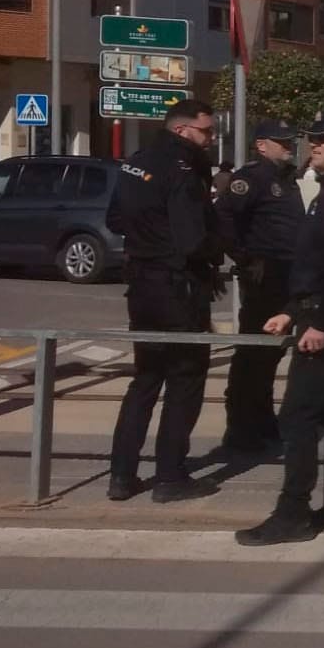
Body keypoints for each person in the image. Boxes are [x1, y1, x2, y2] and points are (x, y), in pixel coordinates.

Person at [236, 112, 324, 546]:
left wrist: (317, 320)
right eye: (311, 139)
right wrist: (290, 309)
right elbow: (313, 265)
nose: (313, 146)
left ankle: (293, 512)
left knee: (298, 417)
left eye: (323, 139)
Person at [106, 99, 223, 503]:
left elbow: (115, 220)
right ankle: (170, 477)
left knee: (145, 379)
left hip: (141, 284)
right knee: (185, 380)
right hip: (178, 286)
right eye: (205, 132)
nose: (210, 139)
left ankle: (121, 476)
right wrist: (215, 253)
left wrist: (149, 237)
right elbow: (193, 239)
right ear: (181, 130)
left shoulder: (135, 162)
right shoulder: (183, 169)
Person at [213, 118, 302, 454]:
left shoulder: (284, 178)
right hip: (265, 273)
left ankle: (262, 421)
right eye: (282, 142)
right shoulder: (251, 177)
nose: (288, 147)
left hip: (286, 272)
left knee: (270, 353)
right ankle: (240, 427)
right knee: (253, 352)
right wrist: (245, 258)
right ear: (261, 145)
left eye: (289, 142)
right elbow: (223, 218)